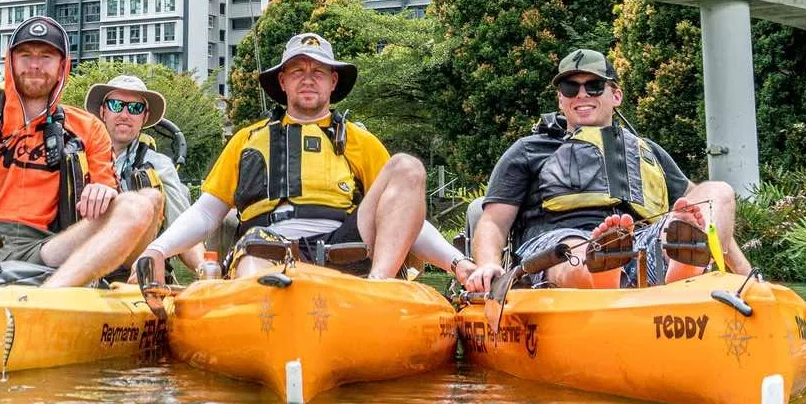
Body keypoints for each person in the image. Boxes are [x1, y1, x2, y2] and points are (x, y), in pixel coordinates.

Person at [139, 33, 474, 284]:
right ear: (283, 81)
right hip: (267, 244)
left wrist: (458, 264)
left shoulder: (359, 140)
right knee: (254, 255)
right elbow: (205, 213)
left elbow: (404, 214)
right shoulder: (246, 139)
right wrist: (158, 250)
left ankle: (379, 285)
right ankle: (257, 304)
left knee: (407, 167)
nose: (308, 78)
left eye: (318, 71)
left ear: (333, 81)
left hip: (345, 247)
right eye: (298, 70)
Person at [463, 48, 752, 294]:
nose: (581, 94)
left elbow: (707, 212)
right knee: (574, 249)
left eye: (594, 86)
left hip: (641, 244)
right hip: (557, 245)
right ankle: (601, 272)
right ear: (560, 99)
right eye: (570, 88)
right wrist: (488, 265)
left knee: (718, 191)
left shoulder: (647, 151)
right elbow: (493, 222)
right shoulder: (529, 149)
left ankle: (683, 269)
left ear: (616, 95)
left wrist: (747, 279)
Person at [0, 16, 161, 288]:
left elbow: (109, 197)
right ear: (10, 61)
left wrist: (104, 191)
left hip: (47, 246)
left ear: (62, 66)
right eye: (26, 56)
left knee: (144, 201)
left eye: (46, 57)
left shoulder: (89, 128)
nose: (35, 65)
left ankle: (49, 296)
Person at [86, 73, 205, 275]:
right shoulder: (77, 157)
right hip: (84, 263)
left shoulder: (161, 166)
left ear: (145, 117)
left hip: (138, 270)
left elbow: (183, 230)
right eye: (116, 105)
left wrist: (204, 269)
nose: (125, 114)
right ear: (103, 111)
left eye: (135, 108)